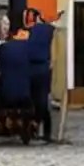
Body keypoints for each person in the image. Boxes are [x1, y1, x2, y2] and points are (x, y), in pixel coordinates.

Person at [23, 8, 56, 142]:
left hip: (31, 67)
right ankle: (45, 131)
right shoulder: (49, 30)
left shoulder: (29, 31)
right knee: (42, 100)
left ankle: (33, 128)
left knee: (31, 99)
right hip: (43, 66)